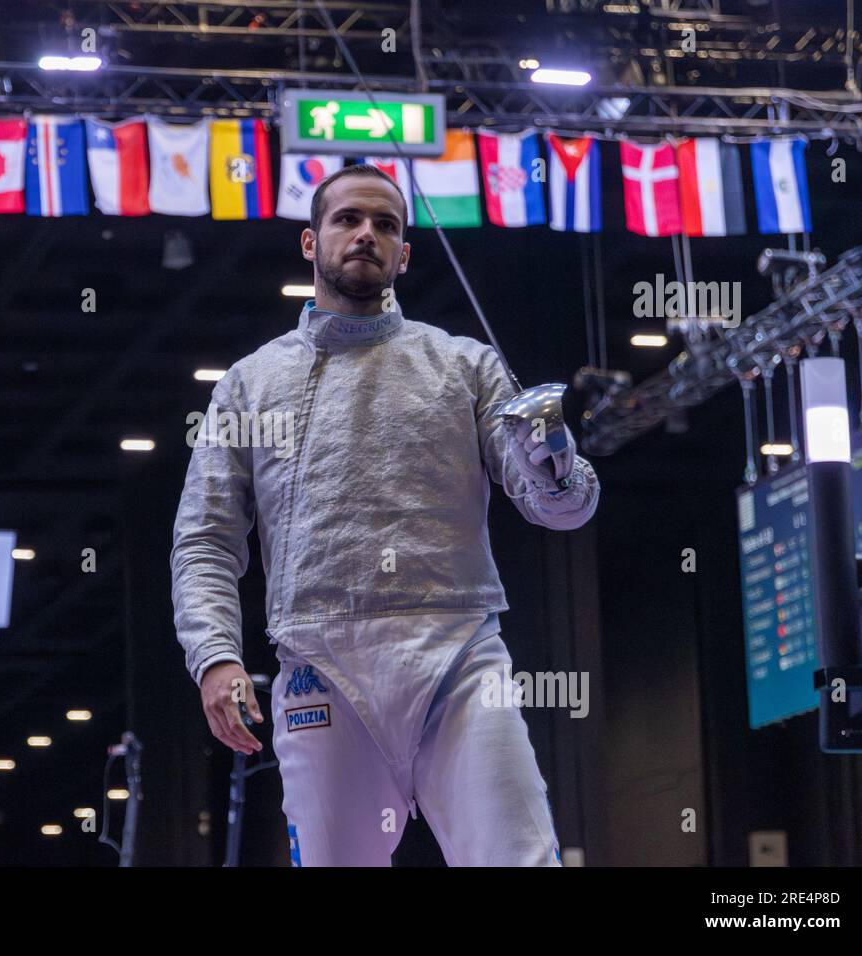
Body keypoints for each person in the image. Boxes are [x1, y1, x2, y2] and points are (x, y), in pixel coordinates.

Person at [170, 163, 600, 867]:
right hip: (320, 663)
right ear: (311, 242)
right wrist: (215, 656)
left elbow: (560, 512)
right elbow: (206, 539)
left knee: (520, 860)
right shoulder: (251, 383)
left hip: (459, 652)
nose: (366, 234)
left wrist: (556, 465)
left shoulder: (464, 366)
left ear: (405, 253)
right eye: (348, 219)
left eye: (386, 225)